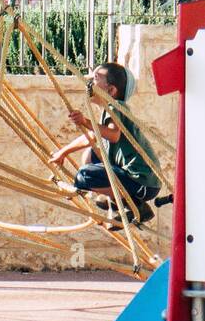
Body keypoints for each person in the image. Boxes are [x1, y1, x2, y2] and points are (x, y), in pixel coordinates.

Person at [49, 61, 161, 226]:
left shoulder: (116, 107)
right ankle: (117, 201)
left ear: (111, 90)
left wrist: (85, 121)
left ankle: (133, 204)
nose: (89, 82)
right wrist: (63, 152)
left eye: (95, 78)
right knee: (90, 154)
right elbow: (91, 137)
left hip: (142, 183)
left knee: (84, 175)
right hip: (138, 181)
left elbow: (114, 135)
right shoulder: (109, 111)